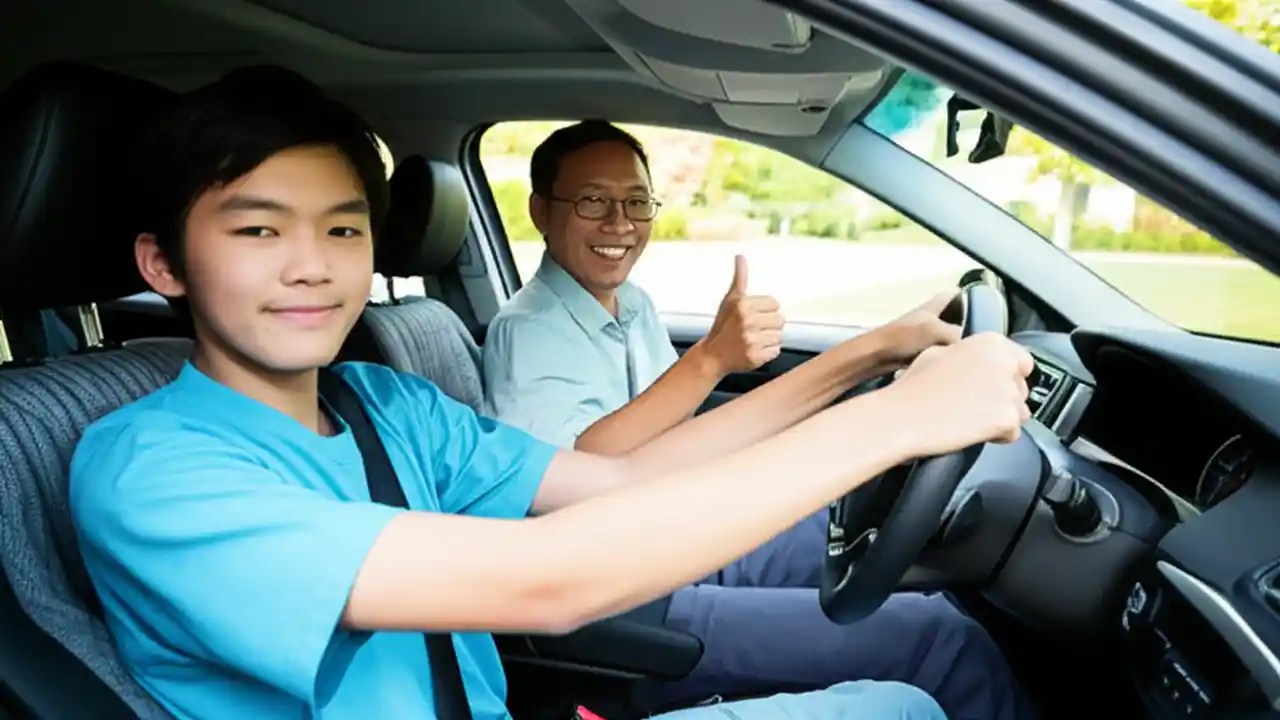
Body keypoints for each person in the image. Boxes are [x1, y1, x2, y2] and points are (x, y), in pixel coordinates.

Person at [69, 66, 1034, 720]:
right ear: (164, 262)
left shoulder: (379, 402)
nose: (312, 268)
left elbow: (616, 485)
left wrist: (869, 367)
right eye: (257, 232)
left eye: (344, 230)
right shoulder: (149, 469)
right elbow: (551, 581)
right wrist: (899, 418)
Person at [482, 121, 1033, 719]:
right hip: (629, 586)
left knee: (892, 558)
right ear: (541, 210)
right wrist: (713, 359)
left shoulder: (630, 303)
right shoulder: (527, 330)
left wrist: (873, 357)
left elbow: (676, 434)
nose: (619, 222)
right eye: (593, 200)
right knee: (941, 639)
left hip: (679, 526)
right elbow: (579, 481)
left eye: (636, 200)